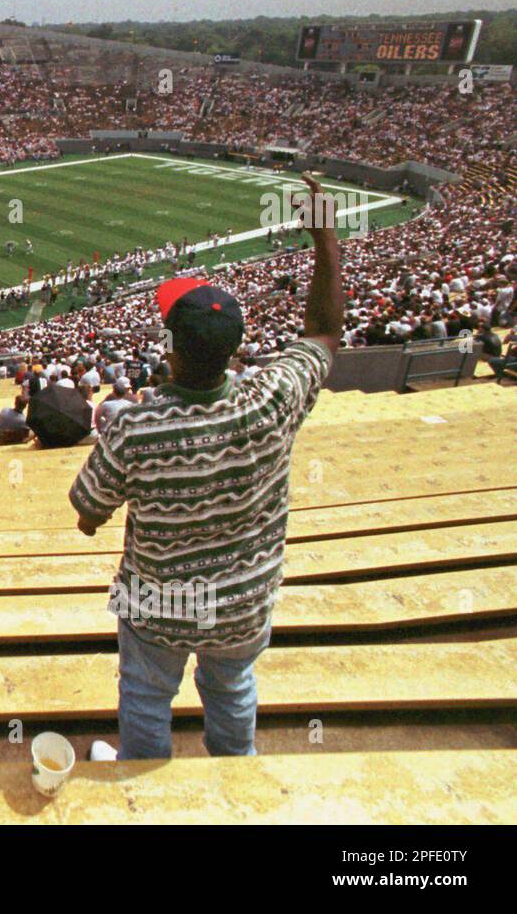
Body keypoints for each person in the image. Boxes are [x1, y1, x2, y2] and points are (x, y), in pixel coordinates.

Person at [69, 174, 340, 761]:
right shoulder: (273, 400)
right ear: (235, 350)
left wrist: (104, 517)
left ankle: (147, 787)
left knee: (145, 694)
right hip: (245, 602)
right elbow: (322, 334)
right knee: (233, 685)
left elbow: (86, 510)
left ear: (168, 347)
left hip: (160, 604)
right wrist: (326, 245)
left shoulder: (136, 428)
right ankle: (233, 778)